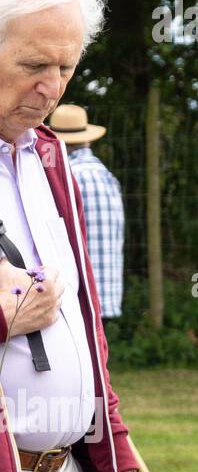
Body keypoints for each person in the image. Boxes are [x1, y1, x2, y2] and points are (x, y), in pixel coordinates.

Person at [0, 0, 152, 472]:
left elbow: (87, 337)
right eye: (33, 65)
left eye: (66, 67)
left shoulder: (52, 159)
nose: (52, 87)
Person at [51, 105, 124, 320]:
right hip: (106, 293)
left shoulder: (65, 176)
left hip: (74, 295)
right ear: (88, 139)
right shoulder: (107, 176)